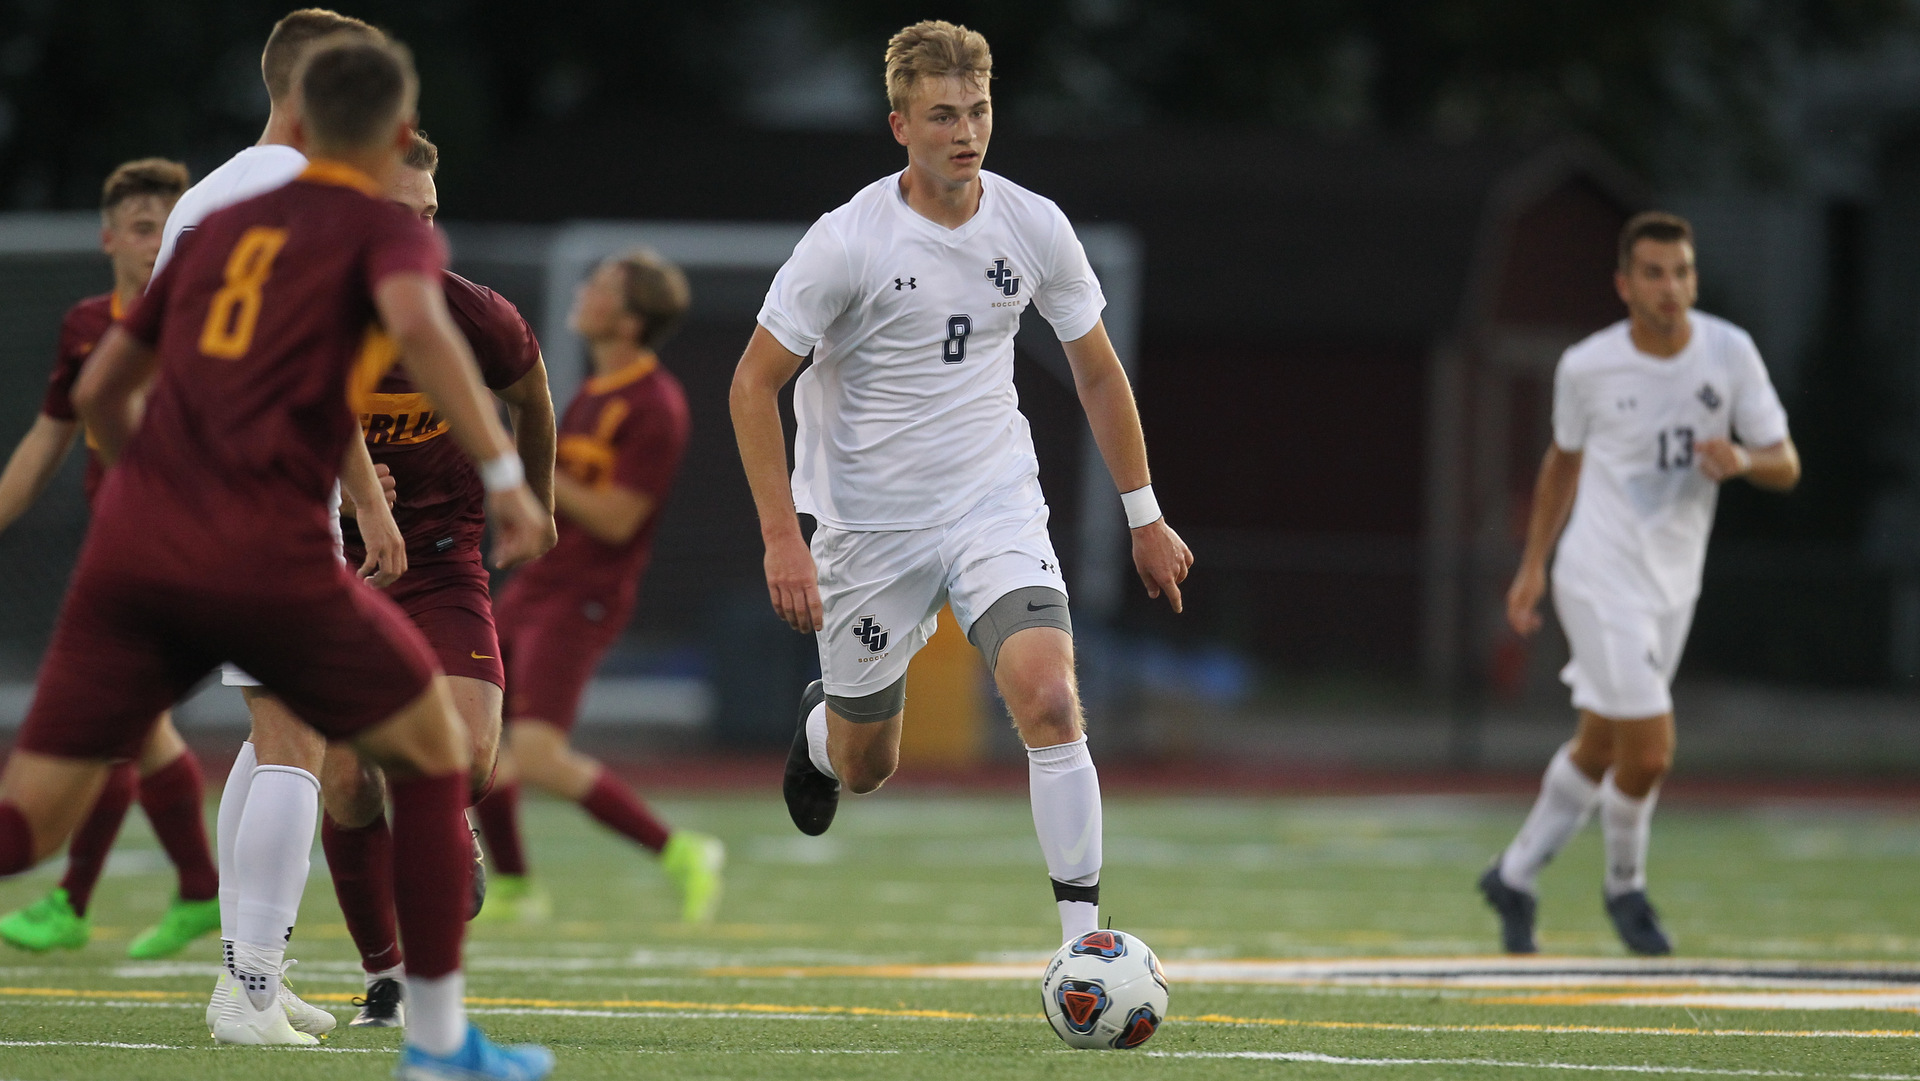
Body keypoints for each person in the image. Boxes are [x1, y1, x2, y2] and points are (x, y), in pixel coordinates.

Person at [0, 36, 556, 1080]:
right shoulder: (354, 218)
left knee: (36, 816)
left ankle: (258, 976)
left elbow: (114, 389)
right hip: (262, 529)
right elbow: (417, 343)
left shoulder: (222, 213)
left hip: (154, 527)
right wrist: (503, 479)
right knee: (390, 751)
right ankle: (388, 1028)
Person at [728, 20, 1191, 946]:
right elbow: (751, 383)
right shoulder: (846, 242)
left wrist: (1146, 514)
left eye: (978, 110)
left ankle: (1082, 943)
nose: (965, 131)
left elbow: (1098, 372)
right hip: (870, 530)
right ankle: (823, 734)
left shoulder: (1032, 224)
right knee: (868, 763)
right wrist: (784, 536)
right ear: (900, 125)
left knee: (1051, 697)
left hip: (993, 502)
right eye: (942, 115)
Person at [151, 8, 412, 1046]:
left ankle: (254, 970)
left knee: (274, 736)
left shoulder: (218, 192)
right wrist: (365, 499)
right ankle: (245, 991)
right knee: (297, 733)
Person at [1482, 211, 1800, 956]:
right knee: (1650, 752)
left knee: (1600, 745)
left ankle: (1515, 872)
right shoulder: (1588, 365)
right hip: (1597, 574)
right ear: (1625, 285)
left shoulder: (1730, 351)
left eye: (1682, 271)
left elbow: (1786, 460)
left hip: (1671, 585)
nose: (1670, 287)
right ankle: (1626, 888)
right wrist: (1533, 567)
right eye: (1653, 273)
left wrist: (1745, 462)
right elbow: (1560, 466)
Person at [319, 129, 557, 1027]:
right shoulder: (309, 311)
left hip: (444, 555)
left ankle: (442, 815)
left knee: (468, 764)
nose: (417, 234)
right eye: (396, 215)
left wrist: (534, 501)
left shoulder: (471, 314)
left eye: (428, 216)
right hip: (335, 565)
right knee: (345, 780)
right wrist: (338, 487)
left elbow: (531, 397)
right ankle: (389, 974)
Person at [0, 158, 222, 961]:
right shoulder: (89, 326)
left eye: (170, 225)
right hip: (122, 553)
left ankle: (112, 896)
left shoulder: (210, 320)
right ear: (108, 239)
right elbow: (46, 439)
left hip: (204, 551)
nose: (156, 240)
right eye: (139, 226)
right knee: (134, 724)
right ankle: (162, 891)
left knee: (126, 722)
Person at [473, 249, 725, 924]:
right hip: (537, 583)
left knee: (537, 753)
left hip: (584, 596)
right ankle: (519, 887)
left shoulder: (656, 404)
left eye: (603, 288)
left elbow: (618, 517)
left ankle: (680, 849)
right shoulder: (588, 393)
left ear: (631, 320)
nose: (583, 293)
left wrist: (531, 456)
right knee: (476, 730)